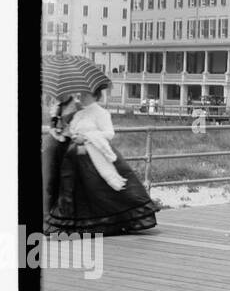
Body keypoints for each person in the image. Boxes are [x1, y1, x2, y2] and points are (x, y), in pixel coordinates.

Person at [45, 88, 158, 236]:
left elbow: (109, 134)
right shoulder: (79, 113)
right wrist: (63, 131)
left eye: (85, 94)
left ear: (95, 96)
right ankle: (70, 224)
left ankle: (113, 221)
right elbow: (71, 132)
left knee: (99, 190)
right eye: (81, 94)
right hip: (74, 157)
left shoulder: (101, 113)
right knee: (72, 191)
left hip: (93, 155)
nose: (82, 97)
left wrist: (86, 137)